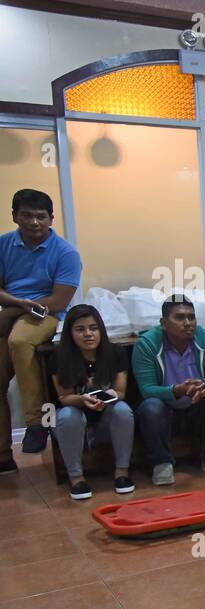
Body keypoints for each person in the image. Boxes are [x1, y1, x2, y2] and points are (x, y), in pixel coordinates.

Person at [0, 188, 82, 468]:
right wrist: (16, 305)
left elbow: (58, 300)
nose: (34, 223)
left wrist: (15, 308)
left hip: (47, 314)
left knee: (20, 341)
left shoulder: (66, 253)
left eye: (41, 217)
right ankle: (3, 456)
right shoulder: (3, 245)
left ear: (51, 218)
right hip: (14, 311)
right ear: (14, 216)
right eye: (27, 216)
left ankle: (36, 423)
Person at [132, 294, 205, 486]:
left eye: (191, 317)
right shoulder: (147, 344)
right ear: (164, 323)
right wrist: (176, 390)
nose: (188, 323)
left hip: (198, 405)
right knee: (150, 407)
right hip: (166, 409)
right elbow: (147, 390)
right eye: (180, 318)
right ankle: (161, 463)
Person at [51, 303, 134, 500]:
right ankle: (76, 477)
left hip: (106, 416)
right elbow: (64, 398)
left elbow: (121, 391)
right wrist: (82, 399)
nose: (88, 334)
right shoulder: (60, 357)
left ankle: (122, 472)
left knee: (122, 410)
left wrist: (106, 397)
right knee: (68, 415)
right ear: (70, 333)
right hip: (77, 418)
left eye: (93, 328)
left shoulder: (115, 353)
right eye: (80, 329)